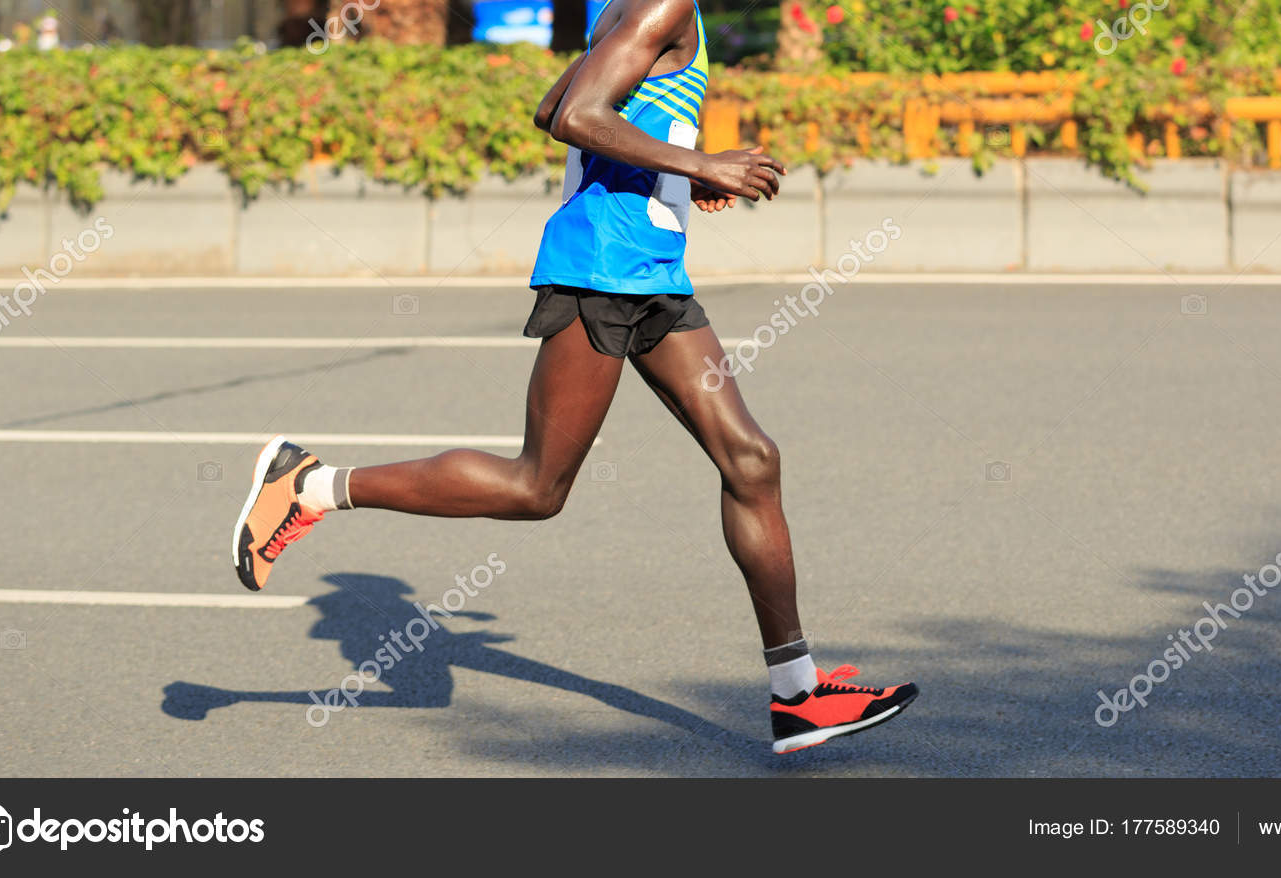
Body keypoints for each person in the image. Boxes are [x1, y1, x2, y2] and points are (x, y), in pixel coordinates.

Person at [230, 0, 916, 755]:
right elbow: (577, 117)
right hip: (601, 274)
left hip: (650, 273)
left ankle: (798, 694)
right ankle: (311, 484)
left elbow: (550, 103)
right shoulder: (661, 3)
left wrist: (679, 175)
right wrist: (699, 165)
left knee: (751, 459)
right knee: (537, 489)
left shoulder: (623, 6)